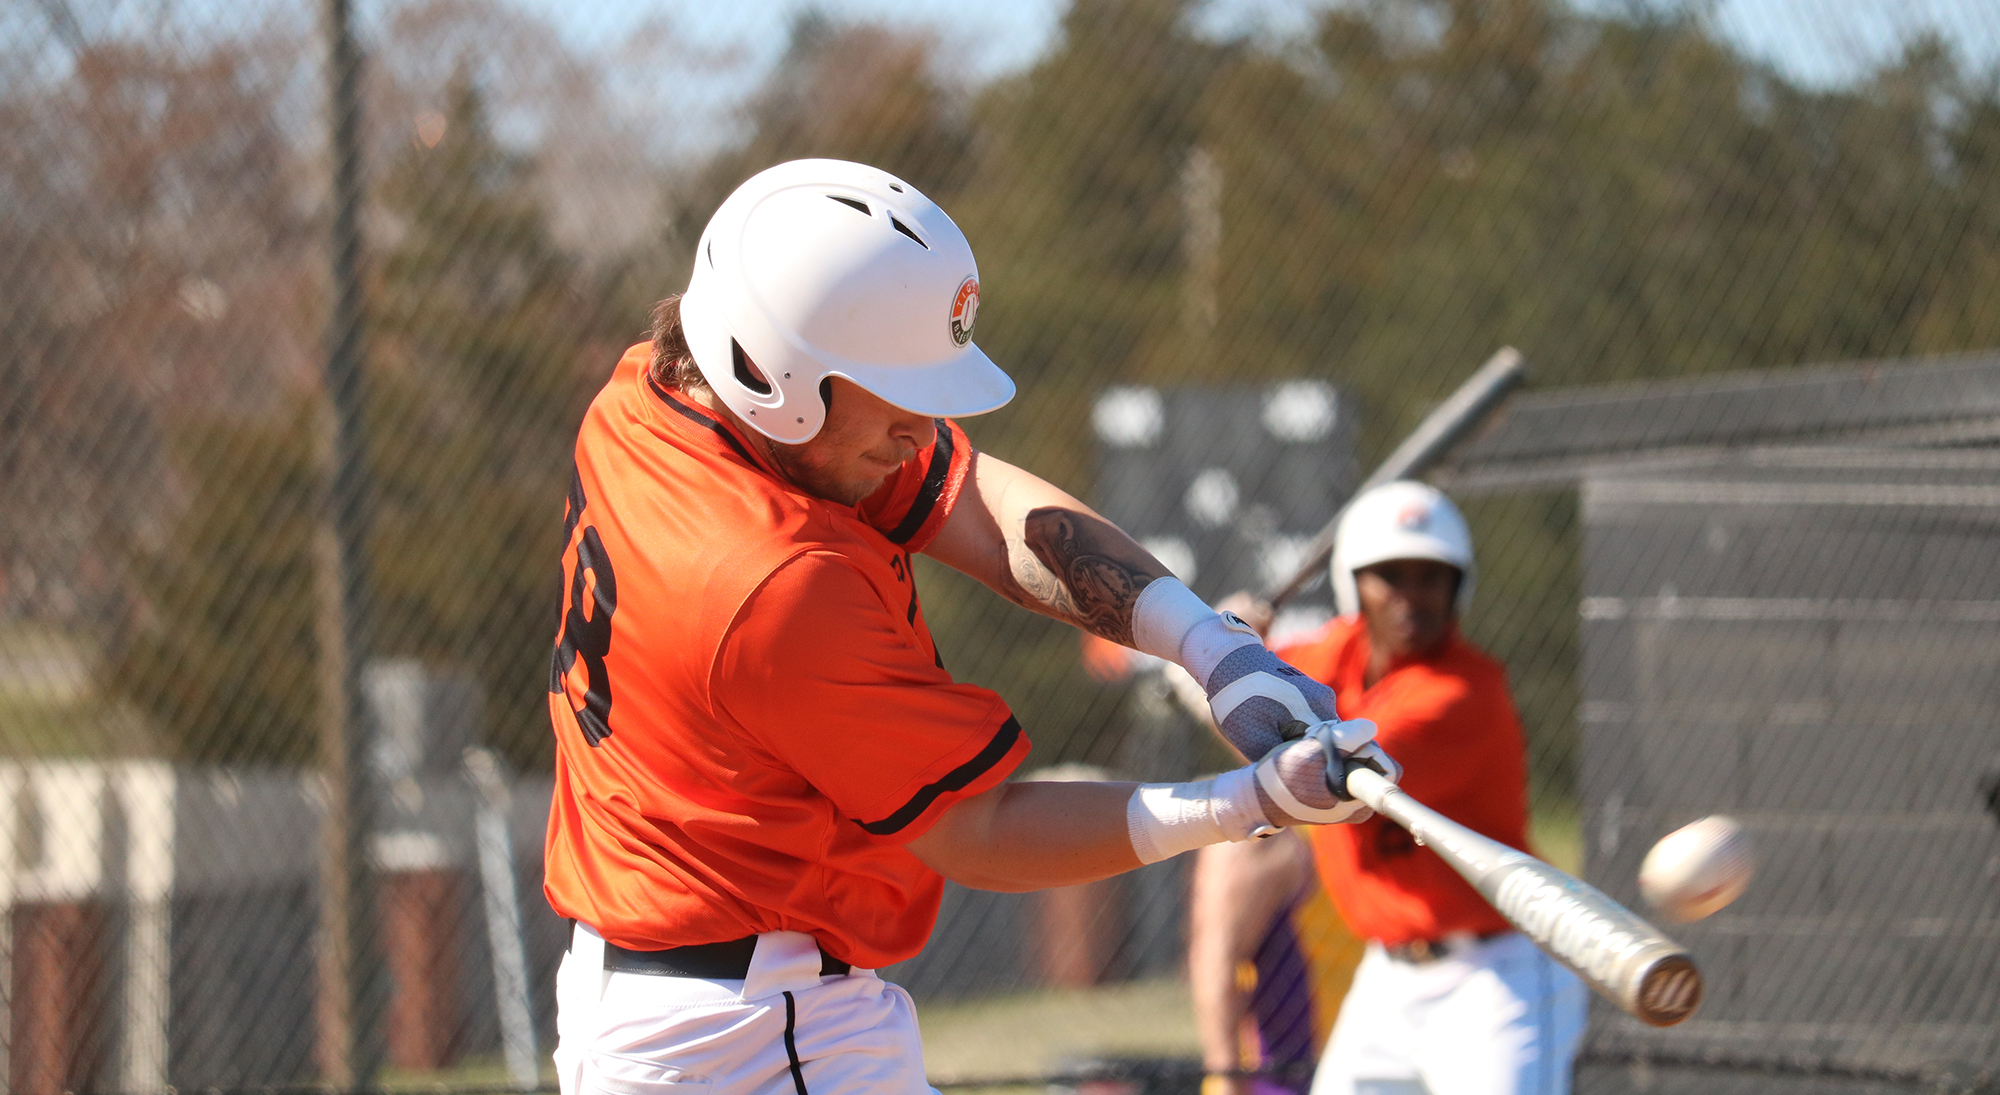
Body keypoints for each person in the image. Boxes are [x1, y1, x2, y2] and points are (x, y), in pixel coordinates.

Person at [542, 158, 1399, 1095]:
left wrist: (1207, 643)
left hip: (696, 994)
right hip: (746, 1035)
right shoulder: (773, 582)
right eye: (898, 390)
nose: (925, 425)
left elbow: (985, 510)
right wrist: (1246, 804)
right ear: (774, 371)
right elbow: (982, 830)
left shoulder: (659, 394)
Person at [1189, 481, 1585, 1095]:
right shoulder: (1335, 652)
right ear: (1355, 586)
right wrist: (1228, 639)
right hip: (1389, 976)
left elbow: (1326, 775)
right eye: (1389, 575)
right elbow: (1242, 692)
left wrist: (1222, 657)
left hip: (1495, 980)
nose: (1410, 595)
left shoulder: (1463, 693)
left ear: (1458, 588)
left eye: (1431, 576)